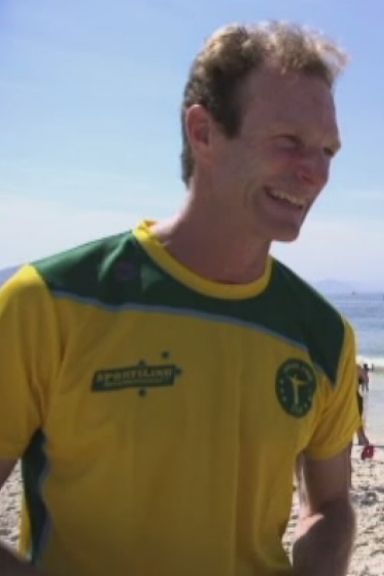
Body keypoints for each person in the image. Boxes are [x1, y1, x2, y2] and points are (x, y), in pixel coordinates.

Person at [0, 22, 359, 576]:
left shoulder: (324, 335)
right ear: (204, 133)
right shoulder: (50, 303)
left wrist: (324, 556)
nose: (314, 173)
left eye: (327, 151)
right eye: (288, 142)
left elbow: (332, 506)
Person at [356, 362, 376, 460]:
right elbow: (366, 380)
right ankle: (361, 438)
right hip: (353, 396)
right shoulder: (356, 367)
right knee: (357, 417)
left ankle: (361, 437)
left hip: (344, 396)